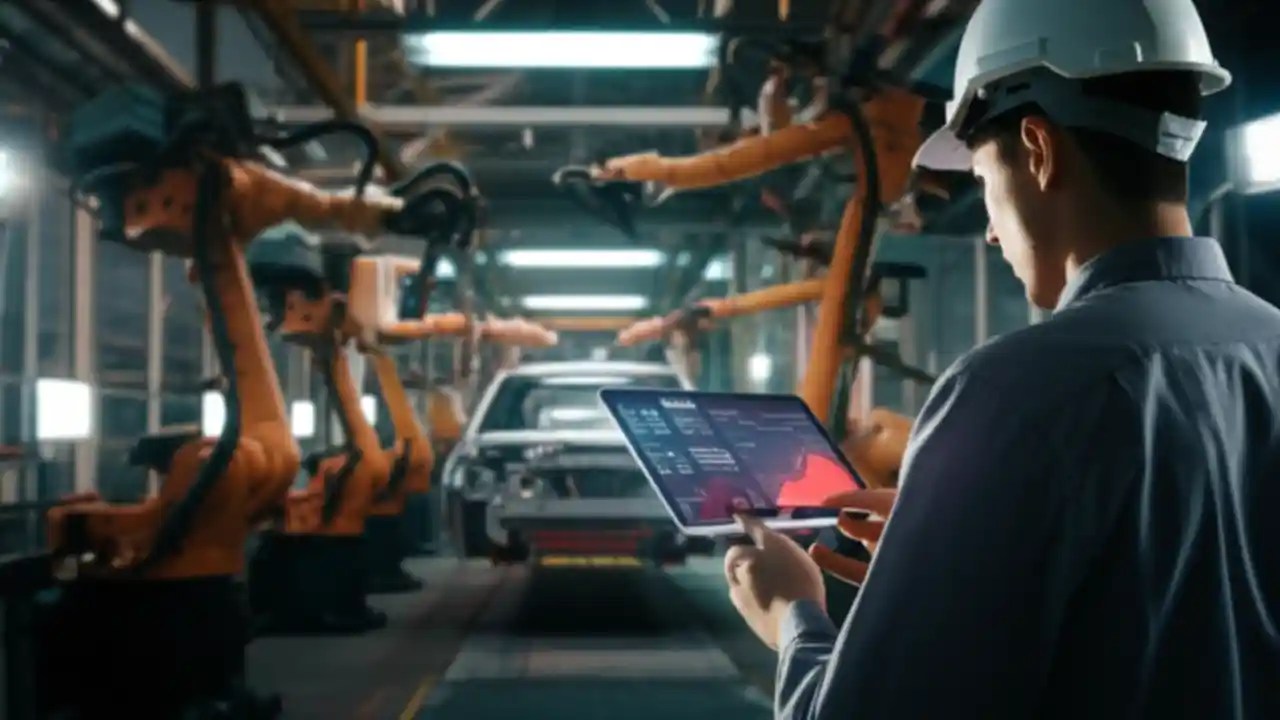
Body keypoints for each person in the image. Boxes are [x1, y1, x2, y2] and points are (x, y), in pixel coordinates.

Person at [722, 0, 1280, 717]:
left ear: (1038, 150)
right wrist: (964, 555)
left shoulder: (1014, 389)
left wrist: (793, 616)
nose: (988, 230)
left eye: (984, 181)